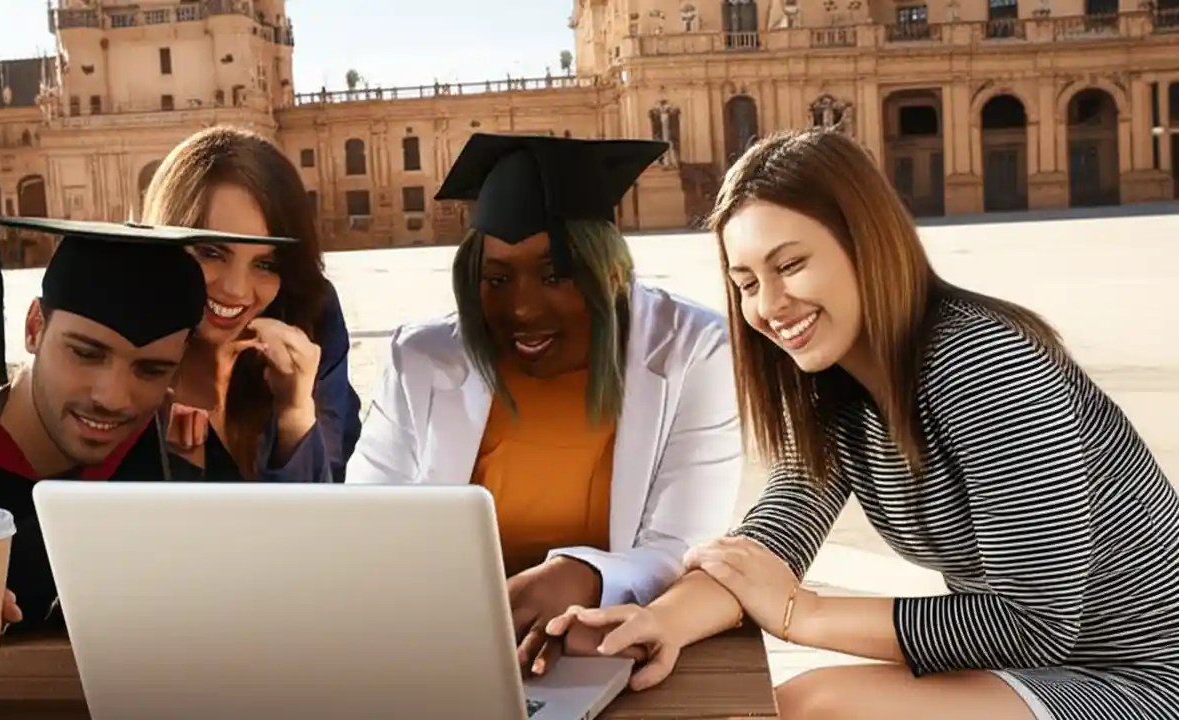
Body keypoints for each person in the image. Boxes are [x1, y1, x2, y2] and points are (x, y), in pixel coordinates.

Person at [545, 128, 1179, 719]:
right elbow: (773, 536)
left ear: (866, 242)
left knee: (820, 706)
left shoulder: (982, 360)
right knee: (796, 703)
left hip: (1139, 678)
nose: (768, 306)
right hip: (1038, 666)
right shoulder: (837, 389)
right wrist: (663, 622)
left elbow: (1035, 622)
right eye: (746, 282)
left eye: (790, 265)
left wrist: (802, 612)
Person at [345, 133, 743, 675]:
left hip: (604, 642)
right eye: (497, 279)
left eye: (556, 274)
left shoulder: (693, 350)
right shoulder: (421, 359)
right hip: (453, 646)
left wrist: (586, 576)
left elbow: (685, 542)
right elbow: (367, 523)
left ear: (612, 273)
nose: (523, 309)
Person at [0, 216, 296, 639]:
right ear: (35, 328)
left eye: (151, 369)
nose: (113, 397)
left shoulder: (175, 459)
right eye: (86, 354)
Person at [123, 125, 361, 484]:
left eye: (266, 264)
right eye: (211, 252)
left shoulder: (310, 320)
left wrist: (295, 416)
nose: (235, 290)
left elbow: (316, 521)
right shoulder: (116, 330)